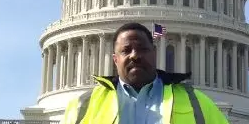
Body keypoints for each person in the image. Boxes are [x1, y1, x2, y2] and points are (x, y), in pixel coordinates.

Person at [62, 22, 229, 124]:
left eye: (142, 49)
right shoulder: (83, 106)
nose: (134, 55)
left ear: (154, 53)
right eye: (126, 51)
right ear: (115, 59)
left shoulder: (197, 103)